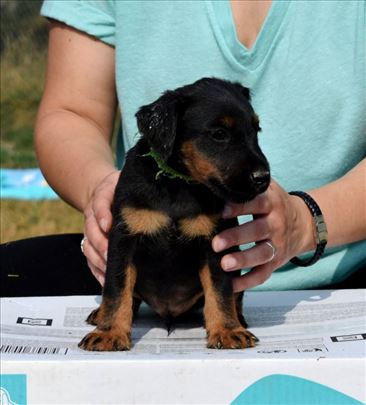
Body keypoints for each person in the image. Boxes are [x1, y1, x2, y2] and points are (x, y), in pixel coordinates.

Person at [2, 0, 365, 297]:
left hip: (342, 268)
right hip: (148, 272)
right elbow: (72, 111)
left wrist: (306, 221)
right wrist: (100, 191)